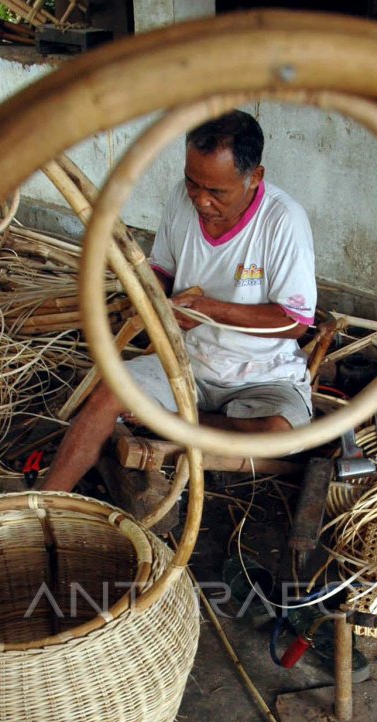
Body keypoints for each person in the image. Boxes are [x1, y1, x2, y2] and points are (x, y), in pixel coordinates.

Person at [42, 109, 316, 492]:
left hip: (262, 375)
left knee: (278, 434)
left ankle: (175, 421)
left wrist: (211, 311)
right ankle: (42, 504)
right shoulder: (180, 199)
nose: (201, 201)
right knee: (108, 394)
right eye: (193, 184)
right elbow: (162, 271)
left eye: (216, 192)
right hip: (186, 362)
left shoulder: (283, 222)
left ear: (255, 177)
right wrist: (151, 298)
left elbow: (295, 321)